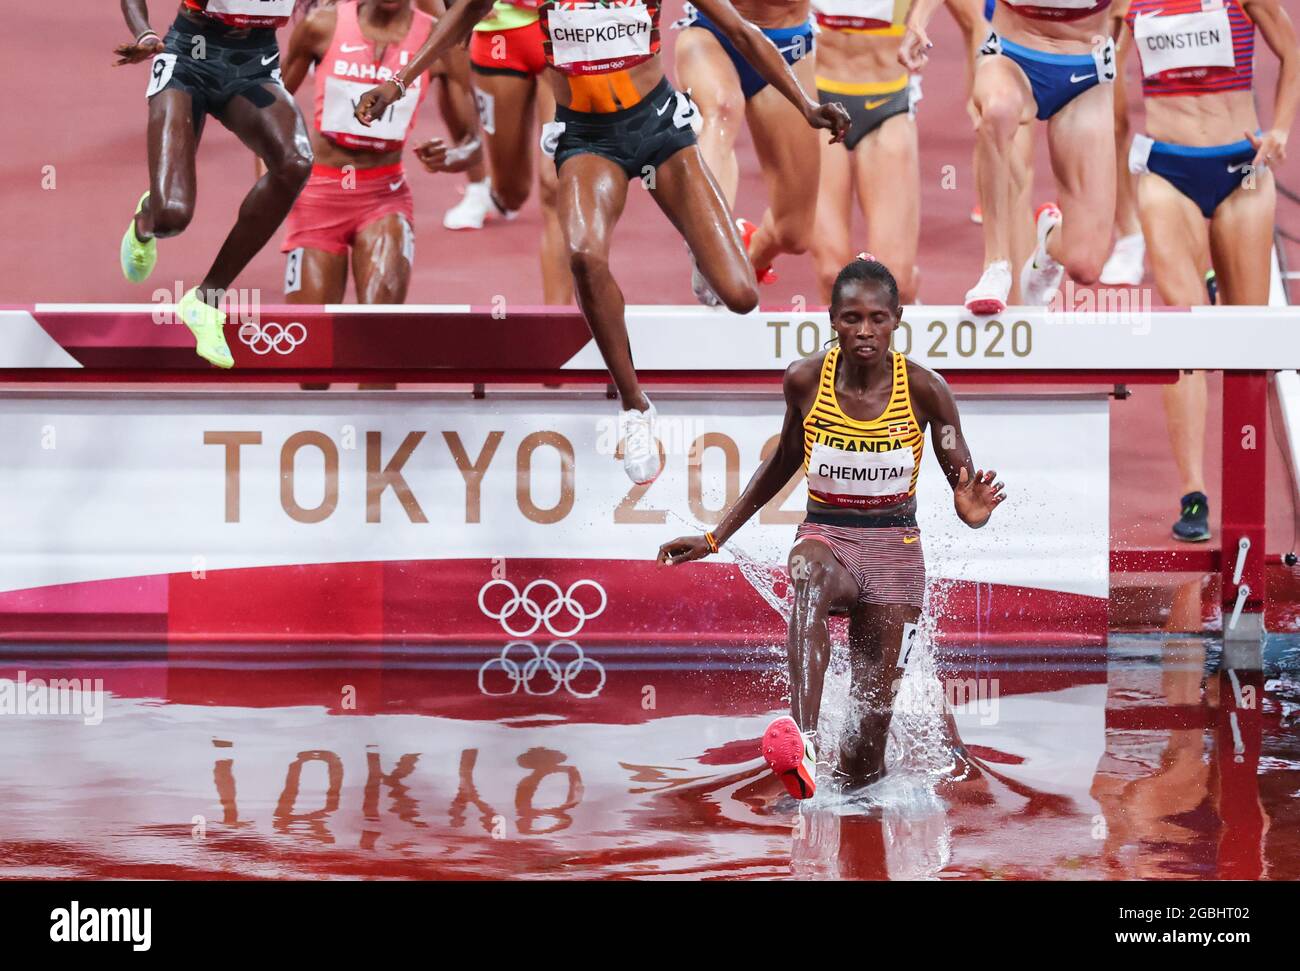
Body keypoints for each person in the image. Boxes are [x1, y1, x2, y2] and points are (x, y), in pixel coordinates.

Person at [353, 0, 850, 485]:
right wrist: (398, 82)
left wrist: (805, 105)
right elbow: (467, 11)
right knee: (584, 257)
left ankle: (701, 250)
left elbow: (741, 30)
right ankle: (635, 408)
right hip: (588, 139)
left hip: (658, 127)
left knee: (740, 296)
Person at [657, 258, 1006, 798]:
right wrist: (714, 537)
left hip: (896, 554)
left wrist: (969, 504)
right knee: (808, 576)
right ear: (831, 320)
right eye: (851, 318)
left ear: (897, 320)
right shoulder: (804, 380)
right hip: (828, 537)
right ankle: (803, 738)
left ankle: (851, 808)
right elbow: (781, 462)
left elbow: (960, 476)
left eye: (876, 318)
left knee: (865, 757)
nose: (864, 332)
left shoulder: (925, 391)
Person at [1117, 0, 1297, 541]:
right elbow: (1107, 87)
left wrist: (1281, 129)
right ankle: (1193, 493)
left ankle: (1245, 483)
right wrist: (1120, 207)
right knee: (1186, 337)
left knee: (1246, 341)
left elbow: (1290, 50)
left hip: (1241, 169)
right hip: (1165, 170)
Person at [116, 0, 315, 368]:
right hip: (186, 58)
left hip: (255, 66)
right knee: (171, 217)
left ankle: (205, 300)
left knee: (296, 163)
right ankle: (148, 218)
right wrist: (144, 31)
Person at [902, 0, 1119, 315]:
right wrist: (917, 20)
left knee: (1085, 265)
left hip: (1086, 69)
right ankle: (996, 264)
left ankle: (1047, 241)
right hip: (1012, 55)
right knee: (998, 110)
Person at [277, 0, 481, 304]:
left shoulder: (440, 41)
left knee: (378, 324)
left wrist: (448, 158)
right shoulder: (321, 26)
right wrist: (272, 182)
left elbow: (473, 145)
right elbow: (272, 108)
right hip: (318, 196)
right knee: (312, 332)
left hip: (384, 197)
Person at [809, 0, 984, 304]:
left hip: (886, 102)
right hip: (816, 102)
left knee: (895, 284)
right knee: (830, 275)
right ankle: (755, 246)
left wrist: (981, 95)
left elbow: (976, 23)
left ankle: (901, 326)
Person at [673, 0, 816, 299]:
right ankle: (710, 246)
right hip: (713, 31)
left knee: (794, 234)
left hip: (787, 47)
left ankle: (750, 253)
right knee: (723, 107)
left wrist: (917, 21)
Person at [443, 0, 573, 304]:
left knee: (555, 184)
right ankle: (489, 192)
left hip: (560, 29)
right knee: (512, 193)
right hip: (499, 33)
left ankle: (556, 321)